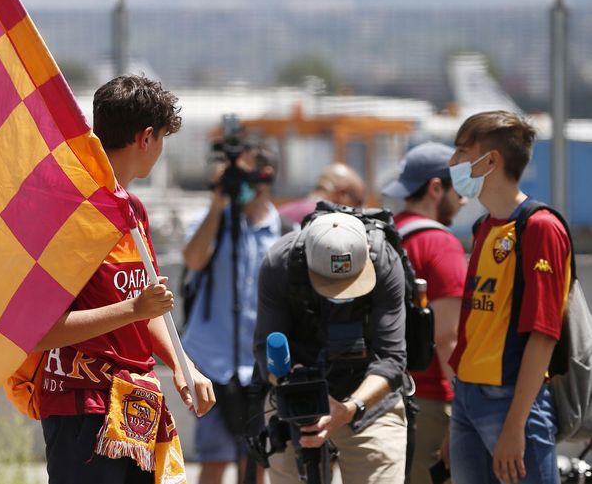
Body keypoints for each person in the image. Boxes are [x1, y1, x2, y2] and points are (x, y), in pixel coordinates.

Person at [36, 74, 215, 484]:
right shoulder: (72, 212)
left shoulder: (132, 210)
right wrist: (133, 308)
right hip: (82, 409)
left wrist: (185, 367)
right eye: (163, 140)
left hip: (137, 404)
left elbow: (147, 307)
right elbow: (39, 332)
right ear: (146, 138)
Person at [445, 111, 570, 484]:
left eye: (462, 152)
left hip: (511, 400)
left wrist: (517, 424)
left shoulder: (539, 226)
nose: (452, 163)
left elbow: (544, 332)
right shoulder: (485, 226)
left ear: (491, 161)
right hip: (467, 395)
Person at [254, 210, 408, 483]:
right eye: (330, 285)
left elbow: (392, 358)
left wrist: (351, 407)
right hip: (294, 397)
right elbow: (265, 347)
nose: (341, 294)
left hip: (369, 399)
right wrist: (291, 384)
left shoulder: (384, 260)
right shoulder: (281, 263)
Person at [181, 145, 282, 484]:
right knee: (214, 459)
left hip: (259, 367)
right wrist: (217, 204)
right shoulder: (212, 221)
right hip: (212, 363)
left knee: (254, 462)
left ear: (264, 178)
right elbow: (193, 259)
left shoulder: (283, 232)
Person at [382, 141, 468, 484]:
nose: (464, 200)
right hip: (431, 402)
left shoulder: (385, 234)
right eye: (459, 189)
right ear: (436, 188)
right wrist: (466, 408)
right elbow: (447, 337)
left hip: (379, 398)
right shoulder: (440, 244)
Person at [278, 163, 365, 227]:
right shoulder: (331, 223)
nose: (363, 208)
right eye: (358, 202)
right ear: (340, 195)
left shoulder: (279, 215)